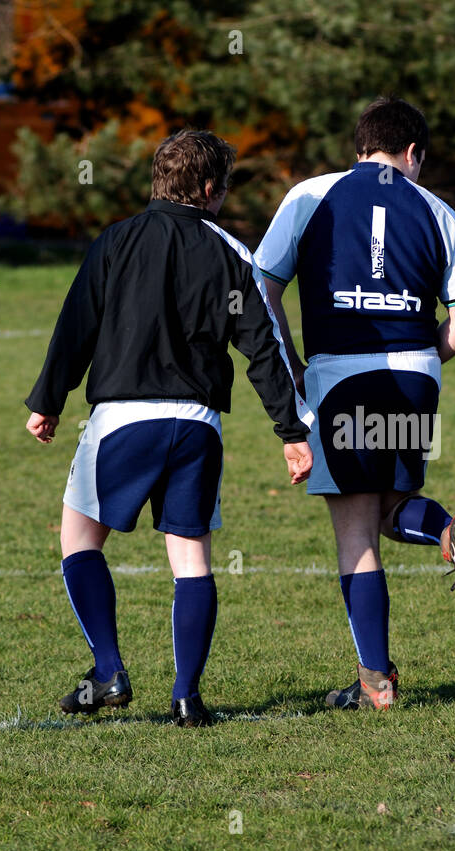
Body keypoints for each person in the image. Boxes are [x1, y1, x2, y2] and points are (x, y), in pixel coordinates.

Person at [24, 130, 313, 727]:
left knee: (79, 541)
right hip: (197, 427)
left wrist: (48, 400)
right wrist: (292, 430)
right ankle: (187, 697)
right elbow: (263, 347)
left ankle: (108, 672)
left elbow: (75, 324)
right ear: (209, 189)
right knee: (192, 561)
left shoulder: (116, 241)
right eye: (226, 187)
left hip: (122, 420)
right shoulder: (232, 252)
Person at [254, 96, 455, 711]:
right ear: (412, 152)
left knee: (356, 534)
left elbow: (262, 286)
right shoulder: (437, 208)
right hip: (414, 376)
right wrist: (421, 360)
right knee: (390, 510)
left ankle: (376, 685)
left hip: (337, 378)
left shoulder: (310, 194)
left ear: (361, 144)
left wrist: (291, 361)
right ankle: (446, 528)